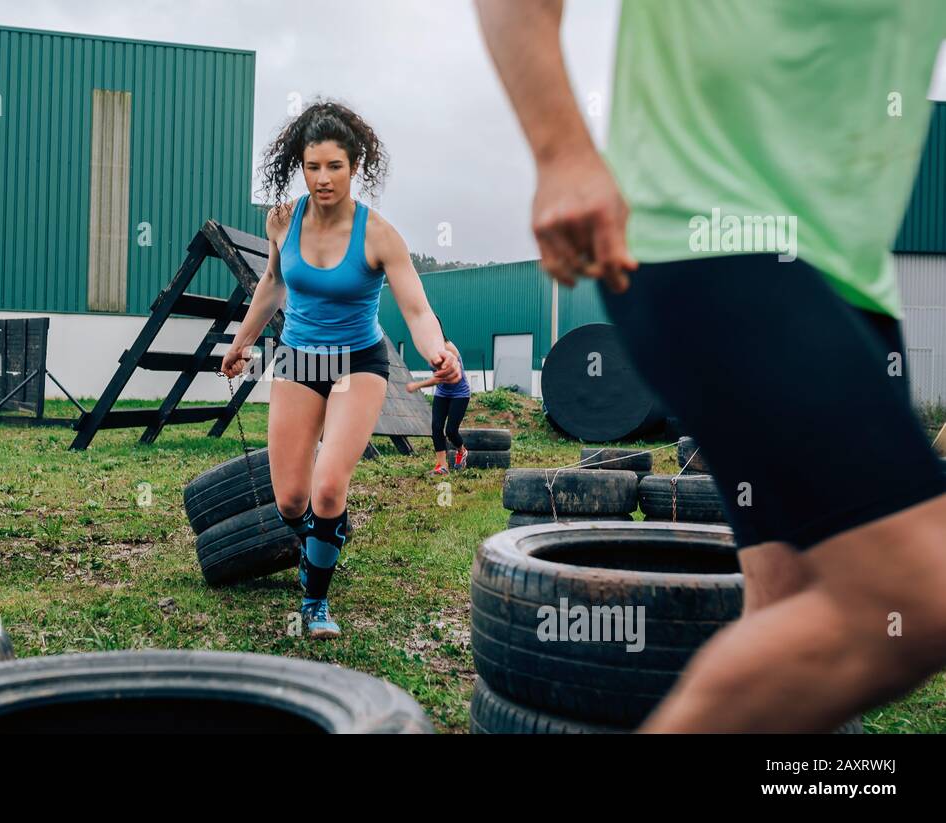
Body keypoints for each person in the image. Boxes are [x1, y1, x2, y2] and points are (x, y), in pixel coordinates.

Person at [476, 0, 946, 731]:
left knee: (791, 613)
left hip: (852, 281)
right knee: (915, 598)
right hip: (708, 233)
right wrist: (561, 152)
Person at [220, 100, 459, 639]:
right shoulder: (282, 219)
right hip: (299, 359)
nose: (323, 178)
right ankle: (327, 535)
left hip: (358, 362)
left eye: (335, 166)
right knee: (291, 500)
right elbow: (273, 285)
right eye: (313, 166)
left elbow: (416, 309)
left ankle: (315, 603)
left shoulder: (379, 236)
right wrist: (242, 342)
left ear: (356, 166)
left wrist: (438, 349)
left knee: (329, 488)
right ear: (298, 166)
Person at [407, 332, 471, 475]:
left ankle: (462, 451)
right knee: (436, 427)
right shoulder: (430, 348)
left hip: (460, 394)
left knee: (451, 431)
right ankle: (442, 466)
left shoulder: (448, 348)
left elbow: (441, 377)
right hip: (442, 393)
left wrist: (417, 385)